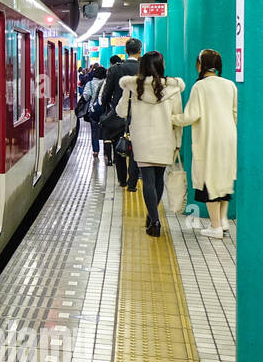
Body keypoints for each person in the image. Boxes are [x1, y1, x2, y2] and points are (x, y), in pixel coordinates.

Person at [116, 51, 184, 237]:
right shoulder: (173, 88)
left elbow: (121, 112)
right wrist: (178, 141)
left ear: (142, 66)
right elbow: (177, 118)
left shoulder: (132, 86)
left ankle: (154, 220)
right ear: (162, 66)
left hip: (142, 139)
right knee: (158, 178)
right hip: (165, 139)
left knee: (147, 180)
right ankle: (152, 215)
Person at [173, 48, 237, 238]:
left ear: (200, 65)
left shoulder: (200, 86)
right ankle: (223, 222)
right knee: (224, 180)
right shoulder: (230, 84)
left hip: (210, 138)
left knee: (210, 180)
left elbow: (191, 116)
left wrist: (172, 118)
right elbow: (235, 114)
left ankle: (215, 226)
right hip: (229, 136)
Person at [99, 37, 143, 190]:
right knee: (137, 149)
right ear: (140, 51)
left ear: (125, 51)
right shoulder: (144, 68)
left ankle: (122, 180)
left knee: (120, 147)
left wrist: (104, 111)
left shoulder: (115, 69)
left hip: (119, 115)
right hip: (140, 116)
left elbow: (106, 93)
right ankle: (133, 182)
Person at [82, 64, 108, 156]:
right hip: (106, 111)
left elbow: (85, 97)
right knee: (106, 131)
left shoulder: (90, 84)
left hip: (94, 111)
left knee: (94, 131)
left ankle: (96, 151)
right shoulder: (107, 83)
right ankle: (106, 152)